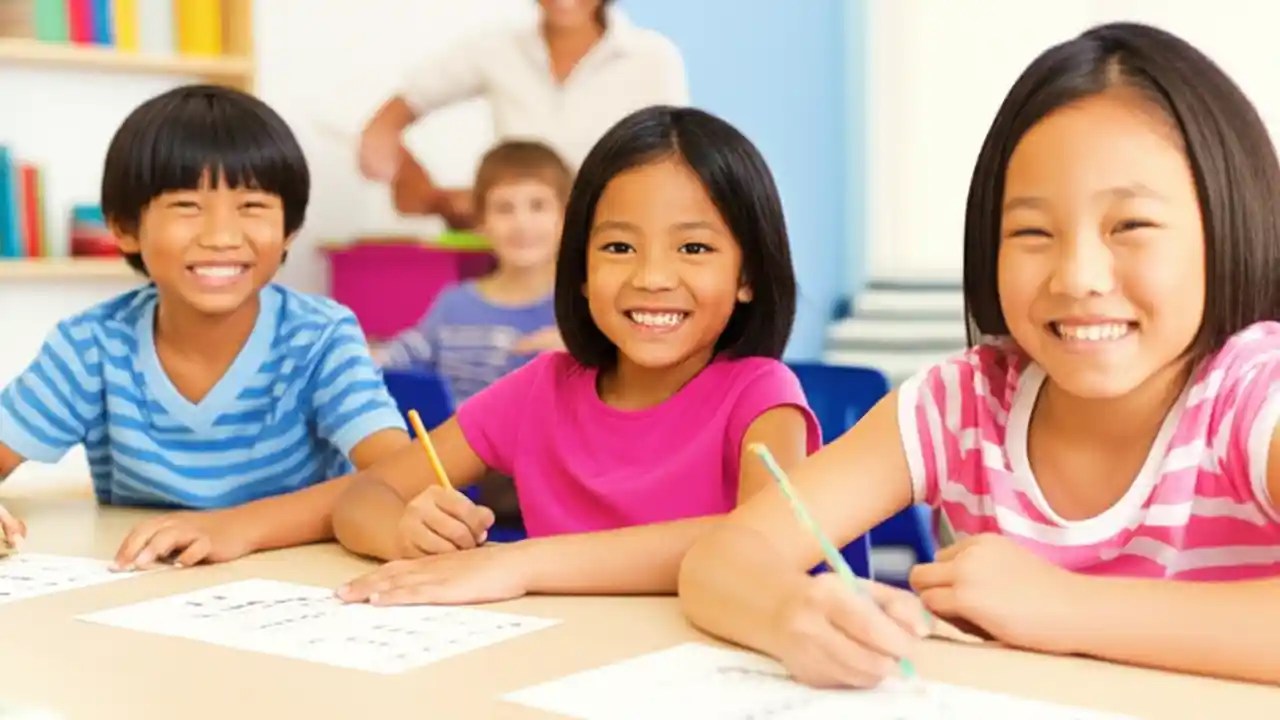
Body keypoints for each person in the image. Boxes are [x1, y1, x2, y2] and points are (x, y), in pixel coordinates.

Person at [678, 22, 1280, 688]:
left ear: (1224, 225)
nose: (1077, 276)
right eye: (1031, 231)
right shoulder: (962, 405)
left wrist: (1067, 608)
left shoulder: (1255, 397)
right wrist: (791, 614)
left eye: (1130, 226)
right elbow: (722, 558)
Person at [332, 105, 821, 606]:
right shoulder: (539, 389)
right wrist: (406, 532)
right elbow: (362, 498)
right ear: (582, 270)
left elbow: (762, 542)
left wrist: (521, 561)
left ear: (748, 276)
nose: (652, 277)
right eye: (619, 247)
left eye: (693, 249)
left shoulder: (762, 396)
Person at [0, 85, 409, 569]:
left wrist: (237, 528)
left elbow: (402, 474)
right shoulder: (92, 345)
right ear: (126, 228)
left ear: (289, 232)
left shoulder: (320, 337)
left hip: (299, 585)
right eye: (186, 207)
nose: (220, 237)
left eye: (252, 206)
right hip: (144, 586)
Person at [373, 139, 572, 526]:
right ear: (481, 221)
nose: (522, 223)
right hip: (455, 471)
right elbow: (400, 355)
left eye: (538, 206)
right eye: (504, 208)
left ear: (567, 217)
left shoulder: (581, 309)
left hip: (535, 477)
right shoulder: (455, 304)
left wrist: (580, 347)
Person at [358, 0, 688, 229]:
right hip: (520, 241)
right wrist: (403, 171)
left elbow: (672, 165)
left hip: (608, 229)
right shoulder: (495, 48)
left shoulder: (652, 58)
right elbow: (392, 120)